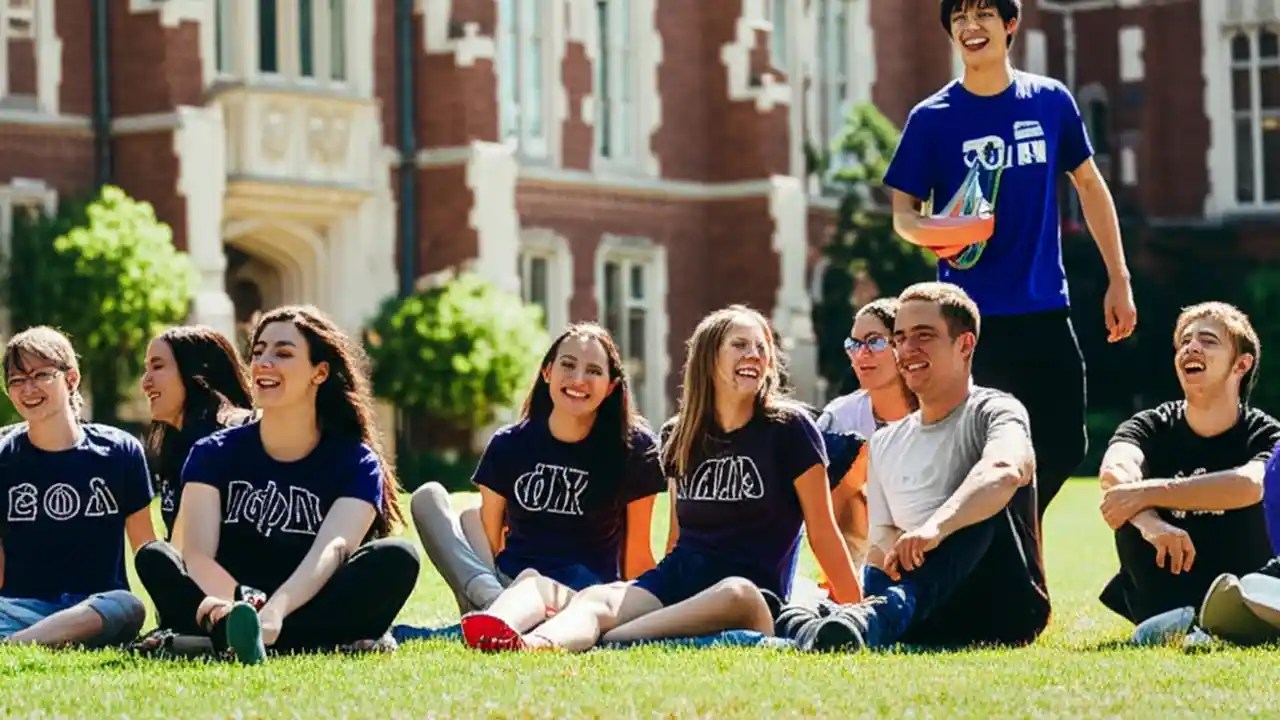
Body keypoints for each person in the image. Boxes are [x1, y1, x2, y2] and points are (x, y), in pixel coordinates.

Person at [460, 304, 862, 652]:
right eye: (740, 345)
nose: (754, 354)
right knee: (597, 600)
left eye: (761, 347)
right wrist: (637, 593)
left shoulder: (790, 429)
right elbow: (675, 539)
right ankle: (534, 645)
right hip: (677, 582)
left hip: (752, 596)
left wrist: (858, 616)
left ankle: (618, 637)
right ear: (709, 358)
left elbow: (822, 531)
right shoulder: (678, 434)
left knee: (734, 590)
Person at [883, 0, 1138, 517]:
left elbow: (1090, 185)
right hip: (967, 322)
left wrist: (1119, 276)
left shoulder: (1050, 101)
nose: (970, 27)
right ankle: (1000, 544)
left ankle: (1009, 531)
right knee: (977, 451)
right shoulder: (931, 119)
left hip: (1044, 306)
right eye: (959, 19)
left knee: (1064, 442)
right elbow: (904, 216)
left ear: (1010, 24)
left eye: (983, 15)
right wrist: (946, 230)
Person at [133, 305, 420, 664]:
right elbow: (197, 555)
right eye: (258, 352)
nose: (263, 363)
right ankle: (290, 638)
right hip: (228, 599)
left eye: (283, 353)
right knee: (155, 558)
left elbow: (332, 549)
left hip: (308, 598)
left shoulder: (356, 461)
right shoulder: (212, 452)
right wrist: (246, 607)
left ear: (320, 372)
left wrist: (276, 612)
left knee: (397, 557)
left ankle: (216, 641)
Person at [777, 282, 1050, 651]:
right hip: (918, 612)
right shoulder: (885, 443)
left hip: (1001, 611)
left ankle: (870, 618)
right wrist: (871, 593)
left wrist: (935, 528)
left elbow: (1005, 469)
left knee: (983, 503)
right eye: (900, 338)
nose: (907, 349)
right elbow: (881, 543)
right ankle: (825, 621)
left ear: (964, 345)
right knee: (818, 595)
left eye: (924, 335)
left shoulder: (995, 410)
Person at [410, 323, 666, 630]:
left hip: (579, 594)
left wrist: (641, 610)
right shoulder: (508, 444)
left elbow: (636, 554)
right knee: (428, 498)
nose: (578, 379)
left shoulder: (635, 449)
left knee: (526, 575)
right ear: (547, 373)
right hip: (508, 580)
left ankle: (490, 610)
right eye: (567, 365)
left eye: (594, 371)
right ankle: (495, 603)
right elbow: (491, 544)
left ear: (611, 386)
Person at [1097, 302, 1280, 628]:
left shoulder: (1266, 433)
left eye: (1208, 340)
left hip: (1245, 588)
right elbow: (1115, 473)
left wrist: (1148, 493)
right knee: (1128, 503)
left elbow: (1249, 485)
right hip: (1163, 593)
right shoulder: (1150, 424)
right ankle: (1163, 620)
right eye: (1184, 341)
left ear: (1241, 364)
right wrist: (1151, 523)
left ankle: (1239, 613)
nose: (1191, 347)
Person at [0, 326, 154, 648]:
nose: (28, 389)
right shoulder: (4, 457)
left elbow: (147, 551)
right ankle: (33, 638)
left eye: (41, 375)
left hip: (96, 608)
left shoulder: (120, 452)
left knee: (129, 605)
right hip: (17, 609)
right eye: (16, 380)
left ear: (71, 379)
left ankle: (12, 645)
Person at [816, 298, 919, 576]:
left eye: (874, 342)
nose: (861, 354)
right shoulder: (839, 417)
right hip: (855, 552)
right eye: (854, 344)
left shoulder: (933, 413)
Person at [140, 326, 255, 545]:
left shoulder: (239, 435)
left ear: (195, 371)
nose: (145, 382)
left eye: (158, 366)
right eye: (147, 368)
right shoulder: (174, 446)